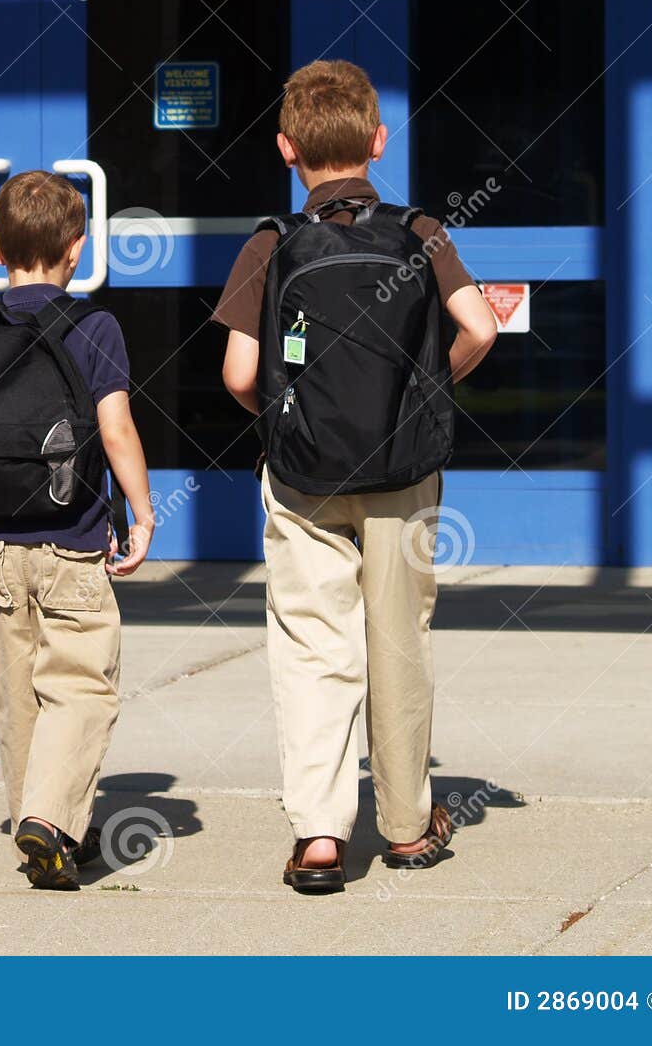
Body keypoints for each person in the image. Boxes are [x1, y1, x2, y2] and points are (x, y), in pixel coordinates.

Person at [214, 60, 498, 894]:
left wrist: (289, 421)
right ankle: (408, 829)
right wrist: (425, 392)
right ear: (378, 142)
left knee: (313, 645)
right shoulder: (422, 232)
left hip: (304, 481)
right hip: (405, 476)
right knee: (399, 641)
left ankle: (320, 837)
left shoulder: (271, 241)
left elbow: (238, 374)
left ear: (285, 148)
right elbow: (479, 327)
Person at [0, 170, 154, 890]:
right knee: (83, 687)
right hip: (75, 540)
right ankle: (51, 822)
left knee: (18, 696)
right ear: (77, 247)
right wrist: (143, 510)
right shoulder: (95, 326)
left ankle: (49, 826)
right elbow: (116, 429)